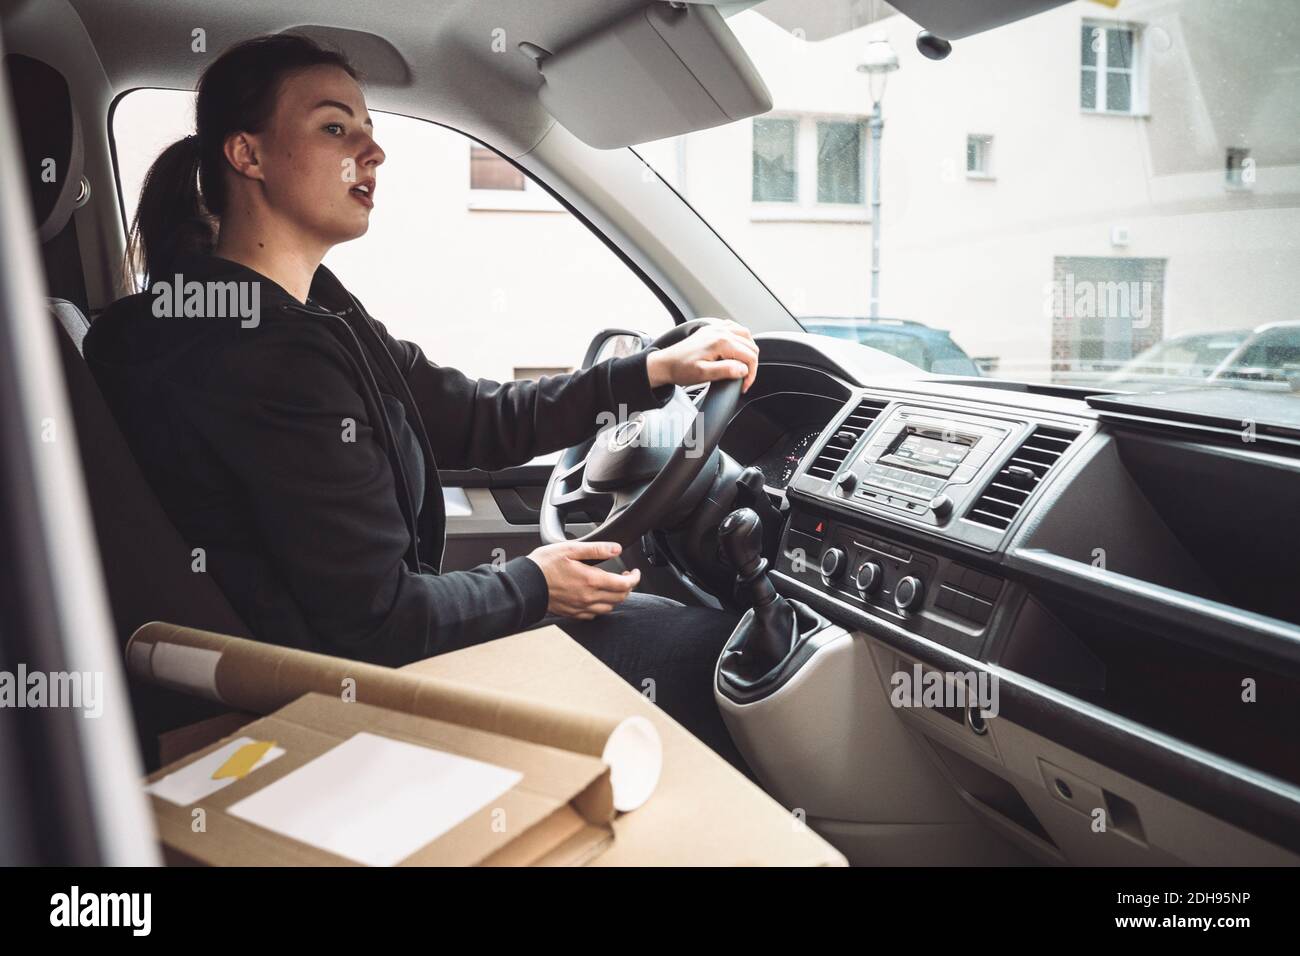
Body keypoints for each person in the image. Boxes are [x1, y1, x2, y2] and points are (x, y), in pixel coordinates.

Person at [84, 34, 759, 773]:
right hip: (338, 695)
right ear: (247, 155)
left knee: (659, 629)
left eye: (372, 132)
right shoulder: (259, 357)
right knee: (708, 657)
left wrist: (648, 373)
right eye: (336, 127)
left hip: (355, 657)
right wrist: (536, 581)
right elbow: (377, 624)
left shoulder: (308, 312)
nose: (373, 153)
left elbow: (473, 417)